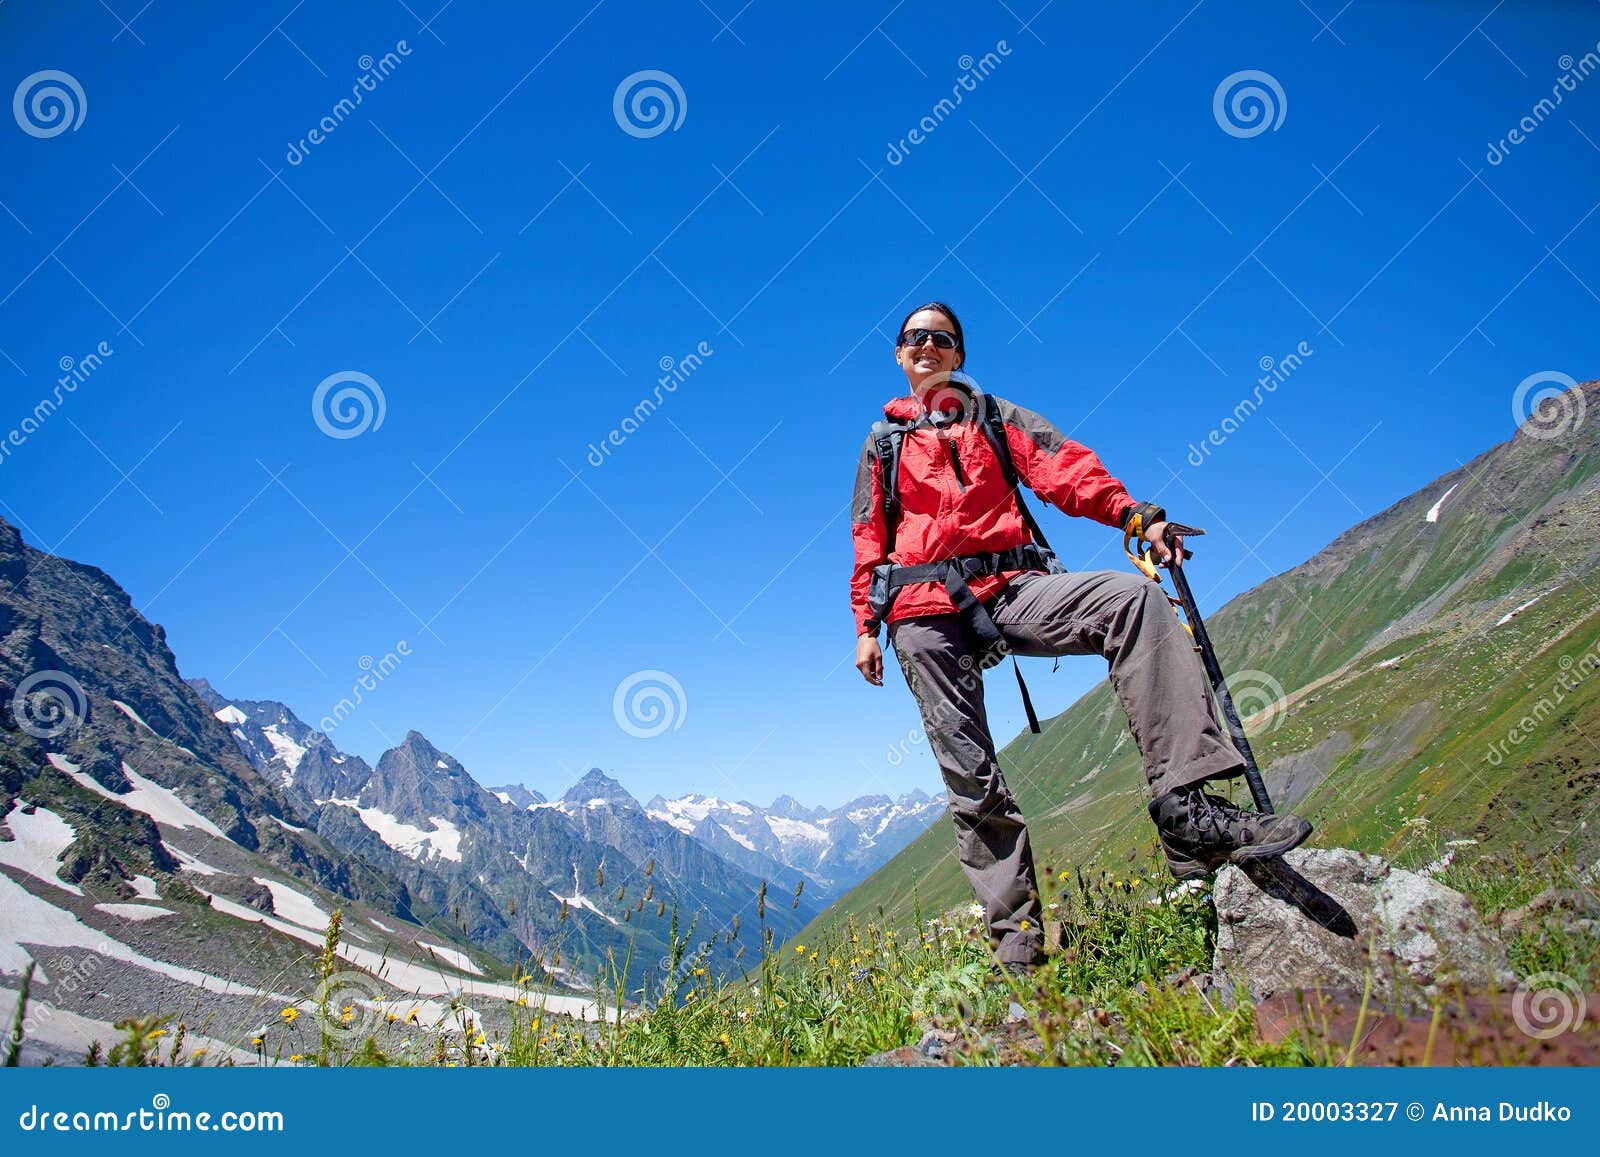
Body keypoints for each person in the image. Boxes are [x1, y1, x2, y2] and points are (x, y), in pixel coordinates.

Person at [850, 301, 1312, 972]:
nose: (927, 345)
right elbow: (869, 535)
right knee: (971, 773)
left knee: (1132, 599)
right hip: (920, 609)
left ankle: (1188, 810)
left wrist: (1136, 518)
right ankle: (1016, 938)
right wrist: (867, 624)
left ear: (958, 355)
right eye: (913, 337)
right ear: (899, 354)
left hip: (1012, 587)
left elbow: (1066, 470)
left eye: (941, 338)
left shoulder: (998, 418)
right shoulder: (882, 445)